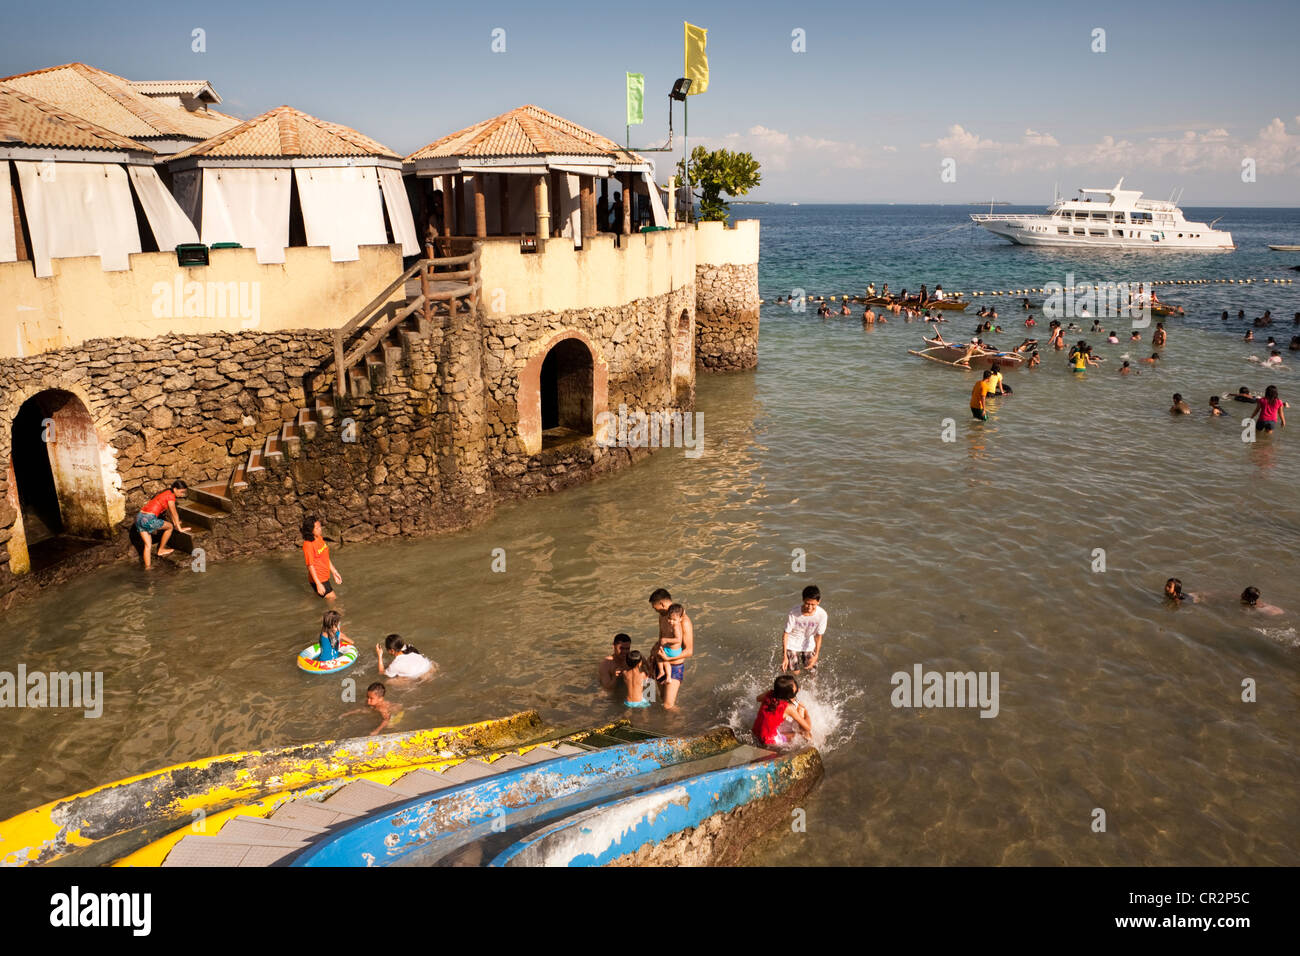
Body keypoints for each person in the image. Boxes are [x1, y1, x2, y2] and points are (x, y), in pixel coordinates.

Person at [649, 588, 693, 710]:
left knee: (668, 706)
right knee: (662, 700)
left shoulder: (684, 622)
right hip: (661, 663)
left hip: (674, 667)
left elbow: (689, 651)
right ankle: (661, 726)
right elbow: (661, 639)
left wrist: (668, 658)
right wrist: (653, 655)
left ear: (662, 604)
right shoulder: (662, 617)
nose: (655, 610)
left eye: (655, 607)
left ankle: (684, 725)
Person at [135, 480, 190, 569]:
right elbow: (174, 512)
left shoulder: (166, 492)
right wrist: (179, 528)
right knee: (170, 527)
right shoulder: (171, 496)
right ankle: (161, 549)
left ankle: (147, 568)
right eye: (181, 492)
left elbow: (169, 512)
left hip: (139, 518)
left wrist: (176, 522)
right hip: (148, 519)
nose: (182, 494)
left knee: (148, 546)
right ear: (175, 489)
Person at [752, 675, 812, 748]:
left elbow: (758, 699)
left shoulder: (769, 693)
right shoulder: (788, 708)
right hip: (769, 742)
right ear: (789, 696)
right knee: (805, 733)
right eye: (794, 693)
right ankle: (809, 748)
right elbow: (807, 727)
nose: (798, 688)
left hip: (755, 733)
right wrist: (805, 711)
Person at [782, 585, 827, 674]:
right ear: (803, 600)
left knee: (812, 670)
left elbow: (818, 636)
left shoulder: (822, 615)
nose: (809, 607)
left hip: (808, 642)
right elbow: (786, 634)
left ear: (818, 602)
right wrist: (785, 657)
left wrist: (816, 655)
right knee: (796, 672)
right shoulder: (794, 612)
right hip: (792, 642)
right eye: (807, 603)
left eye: (813, 604)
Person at [302, 516, 342, 599]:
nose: (320, 529)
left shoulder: (319, 538)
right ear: (311, 530)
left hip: (324, 575)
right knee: (333, 600)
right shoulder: (308, 545)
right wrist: (318, 584)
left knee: (319, 597)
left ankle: (307, 602)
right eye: (317, 528)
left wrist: (334, 571)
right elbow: (310, 565)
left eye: (320, 527)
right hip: (319, 578)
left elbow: (325, 557)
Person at [651, 603, 687, 684]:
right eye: (669, 618)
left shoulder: (676, 627)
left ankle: (661, 672)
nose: (671, 621)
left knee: (659, 656)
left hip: (673, 651)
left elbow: (678, 639)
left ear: (680, 619)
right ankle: (668, 677)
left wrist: (666, 640)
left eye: (674, 620)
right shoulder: (674, 624)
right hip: (673, 650)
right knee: (664, 660)